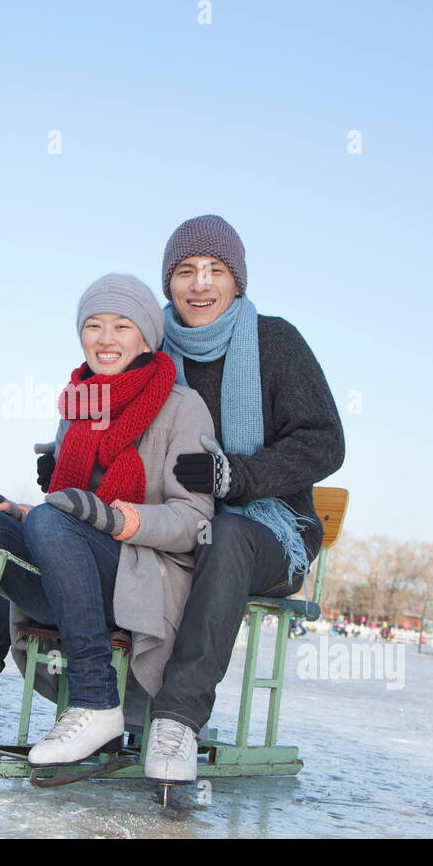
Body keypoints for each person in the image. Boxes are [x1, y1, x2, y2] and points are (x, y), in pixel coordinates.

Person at [0, 274, 215, 766]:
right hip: (66, 567)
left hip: (139, 580)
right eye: (93, 326)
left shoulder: (184, 408)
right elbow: (64, 506)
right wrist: (26, 514)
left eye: (122, 326)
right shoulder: (78, 405)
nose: (105, 339)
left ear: (147, 336)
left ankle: (95, 701)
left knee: (50, 524)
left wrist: (115, 519)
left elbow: (194, 521)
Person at [137, 214, 345, 785]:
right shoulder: (152, 352)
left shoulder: (275, 341)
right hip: (183, 519)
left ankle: (178, 719)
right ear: (168, 283)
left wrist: (237, 477)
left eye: (215, 270)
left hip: (272, 530)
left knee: (225, 535)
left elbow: (324, 442)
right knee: (125, 534)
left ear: (237, 281)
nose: (200, 284)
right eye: (185, 271)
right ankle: (107, 702)